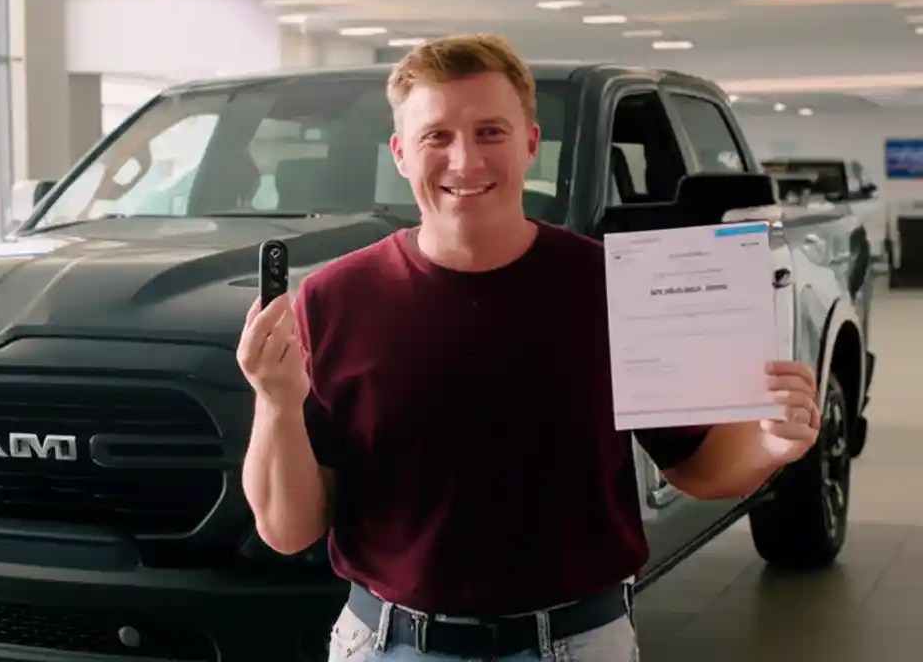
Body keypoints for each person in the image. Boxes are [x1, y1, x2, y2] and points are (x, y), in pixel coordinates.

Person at [235, 34, 821, 661]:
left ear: (531, 144)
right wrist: (276, 403)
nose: (465, 162)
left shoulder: (614, 288)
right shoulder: (332, 299)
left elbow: (696, 467)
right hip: (390, 644)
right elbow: (288, 528)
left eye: (490, 132)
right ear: (402, 154)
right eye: (437, 137)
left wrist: (769, 443)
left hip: (576, 643)